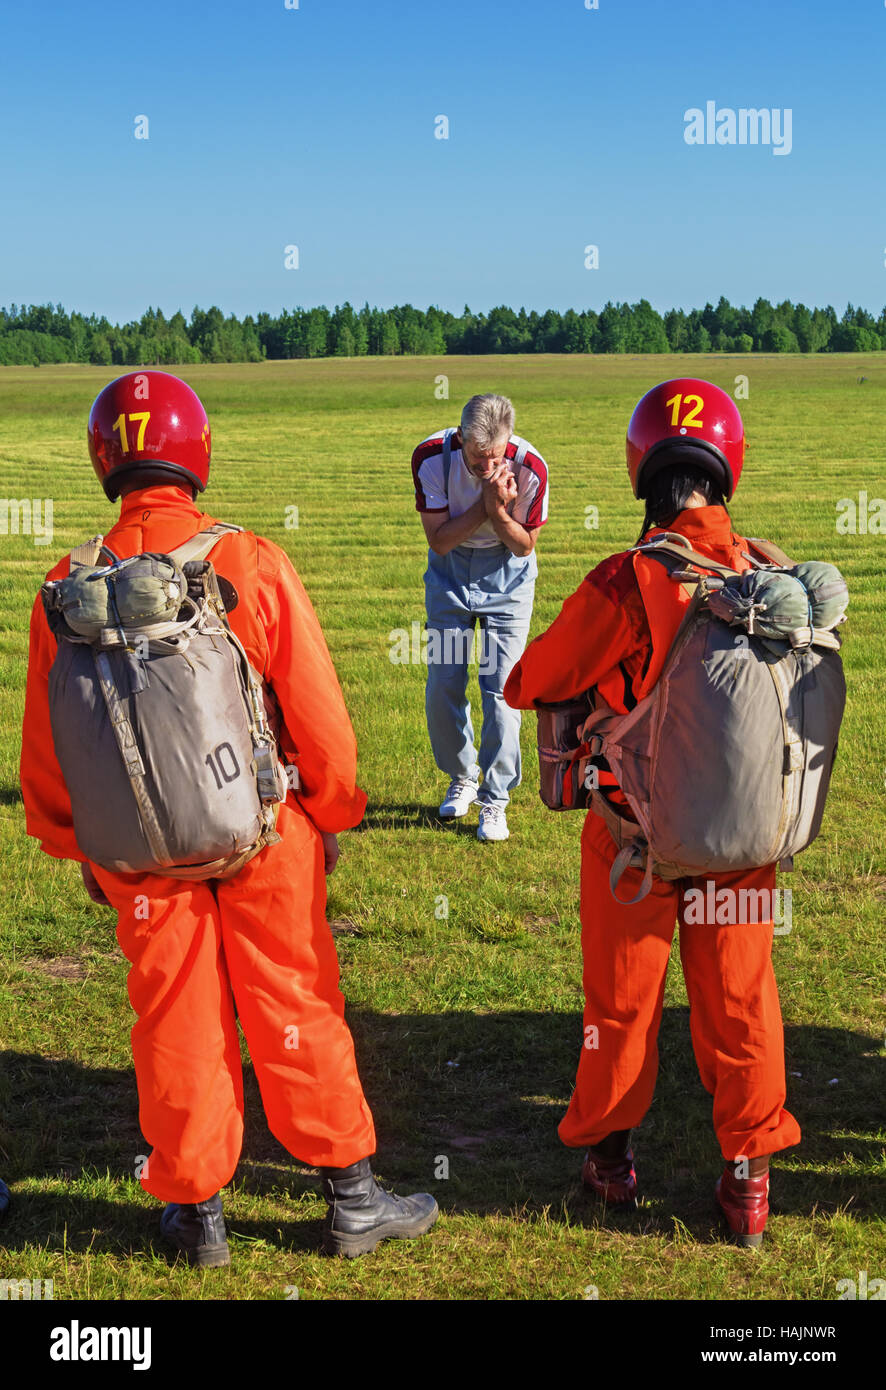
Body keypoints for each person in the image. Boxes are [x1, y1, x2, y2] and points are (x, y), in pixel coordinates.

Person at [20, 369, 438, 1265]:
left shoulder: (65, 585)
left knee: (173, 1018)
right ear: (194, 451)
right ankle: (352, 1199)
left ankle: (198, 1212)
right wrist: (331, 812)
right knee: (296, 1000)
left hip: (139, 858)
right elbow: (320, 718)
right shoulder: (247, 561)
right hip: (264, 832)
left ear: (107, 457)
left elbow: (48, 750)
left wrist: (82, 849)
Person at [504, 378, 801, 1247]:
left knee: (621, 1007)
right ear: (726, 466)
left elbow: (533, 681)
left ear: (642, 468)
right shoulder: (769, 574)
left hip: (635, 840)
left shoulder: (626, 580)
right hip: (742, 839)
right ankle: (749, 1183)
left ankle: (610, 1159)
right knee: (744, 1002)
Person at [411, 393, 549, 841]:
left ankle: (495, 801)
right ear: (460, 438)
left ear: (507, 444)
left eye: (495, 458)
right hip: (450, 577)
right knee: (444, 683)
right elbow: (441, 542)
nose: (486, 468)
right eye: (476, 458)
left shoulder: (531, 467)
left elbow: (524, 546)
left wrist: (498, 512)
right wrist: (487, 505)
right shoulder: (431, 458)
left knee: (501, 691)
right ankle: (462, 776)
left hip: (508, 581)